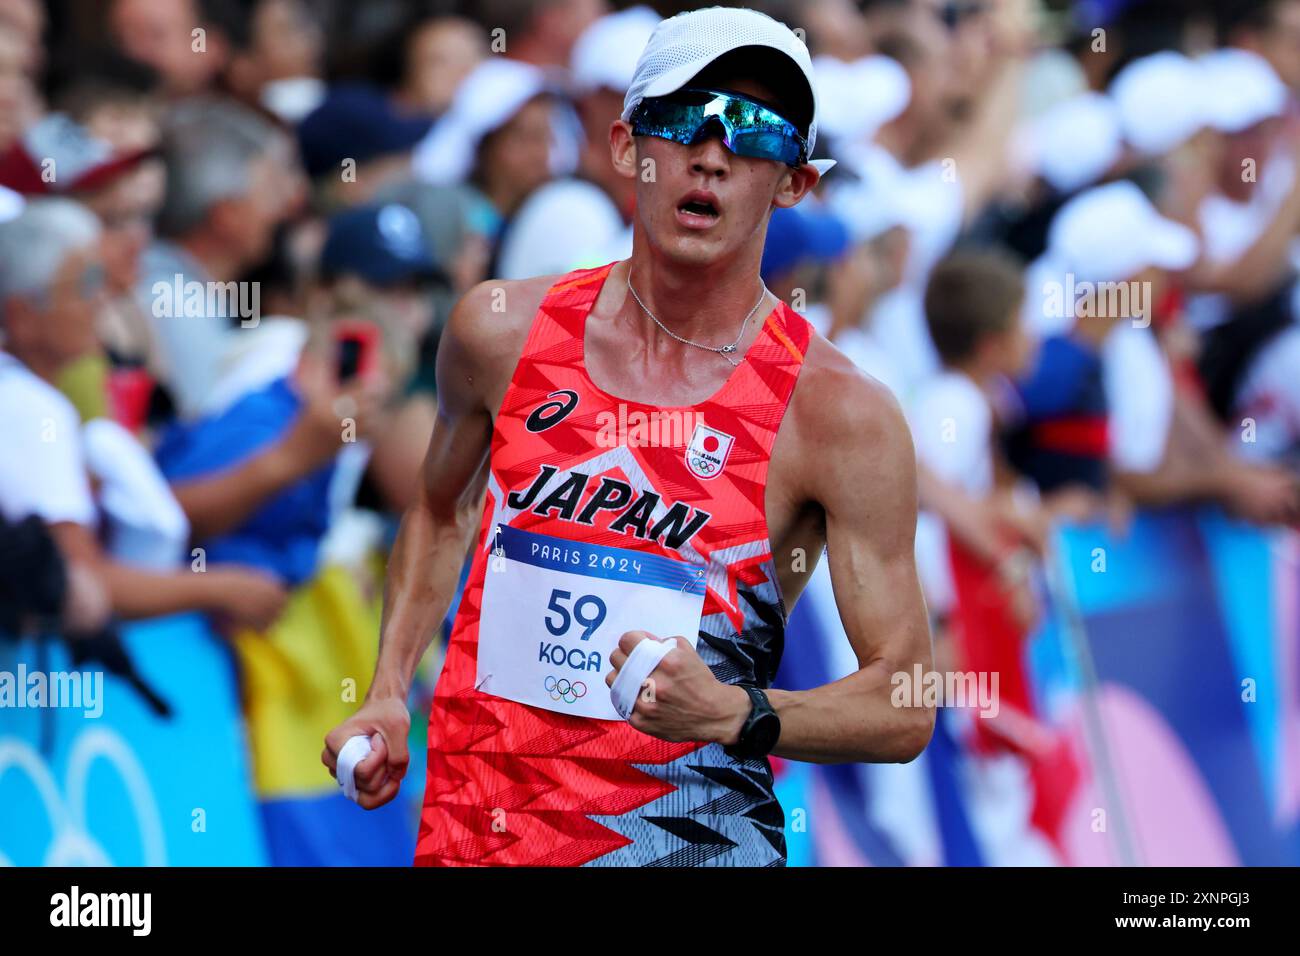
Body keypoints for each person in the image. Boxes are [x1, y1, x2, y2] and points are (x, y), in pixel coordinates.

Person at [324, 6, 933, 868]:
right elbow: (437, 506)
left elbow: (905, 704)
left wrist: (735, 711)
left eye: (756, 131)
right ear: (624, 147)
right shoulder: (498, 330)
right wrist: (389, 689)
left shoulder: (836, 413)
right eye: (684, 117)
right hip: (474, 839)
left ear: (794, 182)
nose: (714, 153)